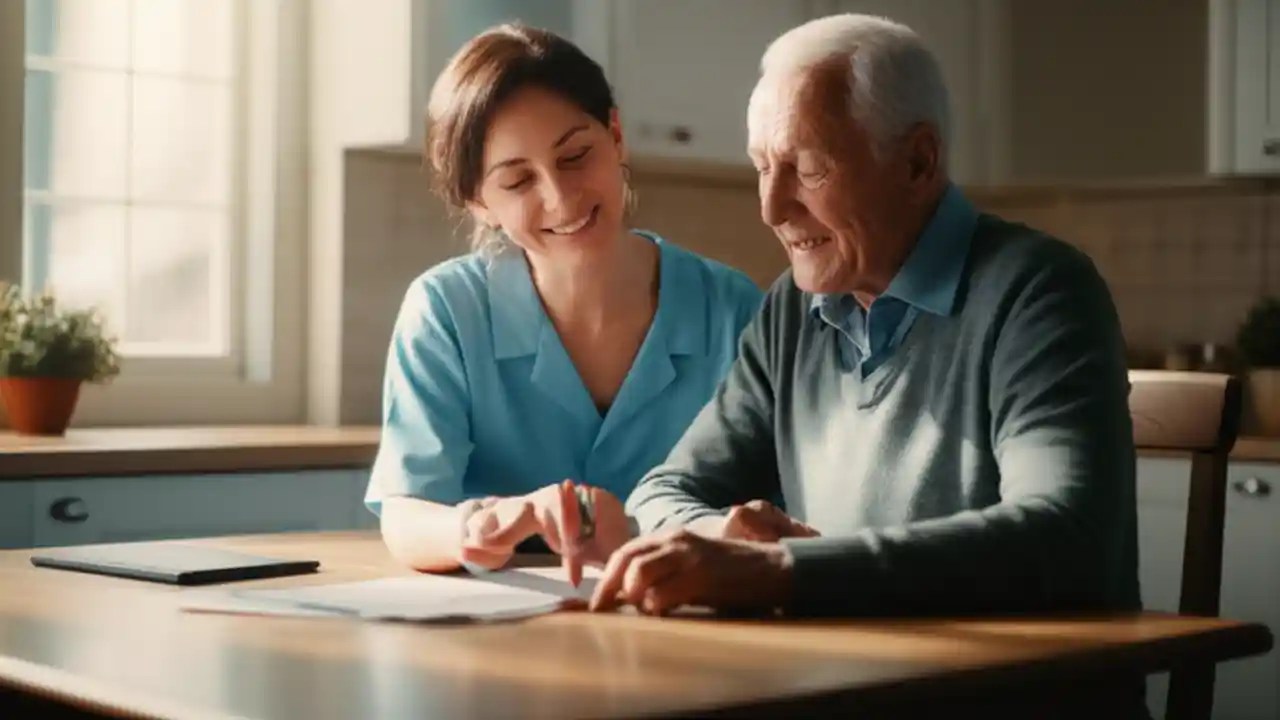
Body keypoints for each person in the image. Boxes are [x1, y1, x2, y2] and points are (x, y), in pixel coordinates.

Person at [590, 13, 1140, 626]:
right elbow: (660, 494)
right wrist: (722, 535)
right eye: (762, 168)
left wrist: (783, 572)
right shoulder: (792, 312)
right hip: (852, 683)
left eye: (808, 168)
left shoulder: (1039, 290)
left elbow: (1067, 538)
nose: (772, 208)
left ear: (917, 162)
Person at [365, 24, 763, 583]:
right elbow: (405, 513)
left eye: (576, 155)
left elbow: (770, 511)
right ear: (479, 201)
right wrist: (483, 524)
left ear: (616, 136)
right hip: (504, 639)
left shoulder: (733, 309)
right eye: (518, 180)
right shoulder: (446, 312)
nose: (560, 196)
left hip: (691, 622)